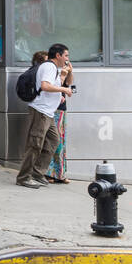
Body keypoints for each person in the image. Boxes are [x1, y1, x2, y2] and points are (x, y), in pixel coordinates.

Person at [16, 43, 73, 189]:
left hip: (48, 112)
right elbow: (45, 86)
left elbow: (51, 87)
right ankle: (23, 177)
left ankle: (37, 173)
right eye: (66, 55)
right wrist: (64, 90)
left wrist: (60, 89)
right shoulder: (48, 66)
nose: (67, 58)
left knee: (53, 141)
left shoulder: (54, 68)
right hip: (40, 111)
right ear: (58, 55)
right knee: (35, 144)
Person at [46, 56, 75, 184]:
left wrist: (69, 72)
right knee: (53, 141)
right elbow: (51, 88)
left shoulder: (61, 71)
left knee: (61, 143)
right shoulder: (50, 71)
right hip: (52, 109)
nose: (66, 58)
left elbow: (68, 84)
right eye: (65, 55)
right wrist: (62, 75)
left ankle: (60, 173)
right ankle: (49, 173)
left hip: (62, 109)